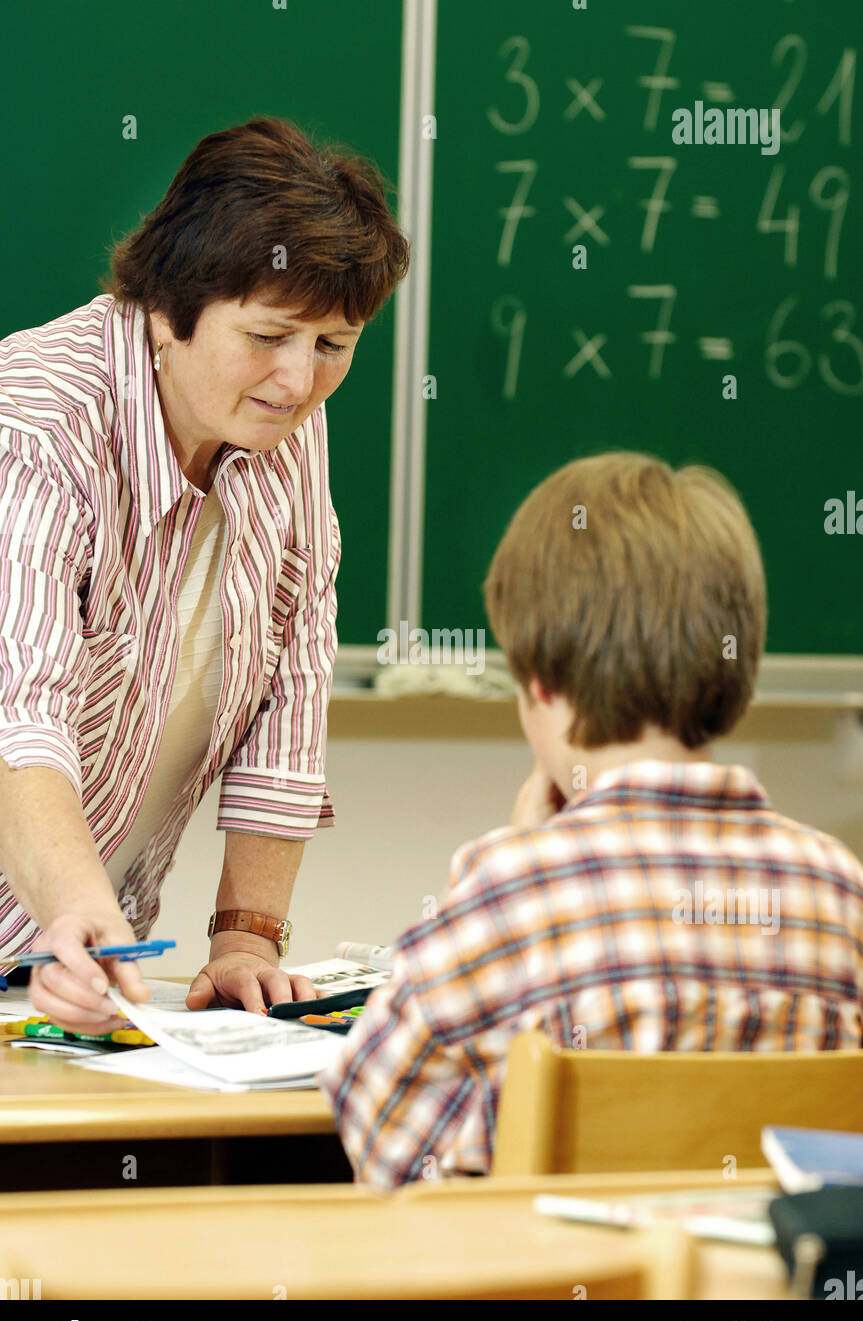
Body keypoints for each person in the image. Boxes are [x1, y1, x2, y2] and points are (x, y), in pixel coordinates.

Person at [319, 450, 863, 1188]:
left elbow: (378, 1132)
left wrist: (518, 849)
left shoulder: (513, 890)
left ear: (539, 682)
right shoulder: (838, 891)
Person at [0, 116, 409, 1033]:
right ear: (168, 307)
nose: (299, 380)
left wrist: (246, 941)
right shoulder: (32, 432)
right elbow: (15, 716)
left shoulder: (279, 420)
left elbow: (290, 690)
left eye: (333, 345)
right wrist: (74, 915)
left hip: (64, 967)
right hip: (48, 934)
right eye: (268, 336)